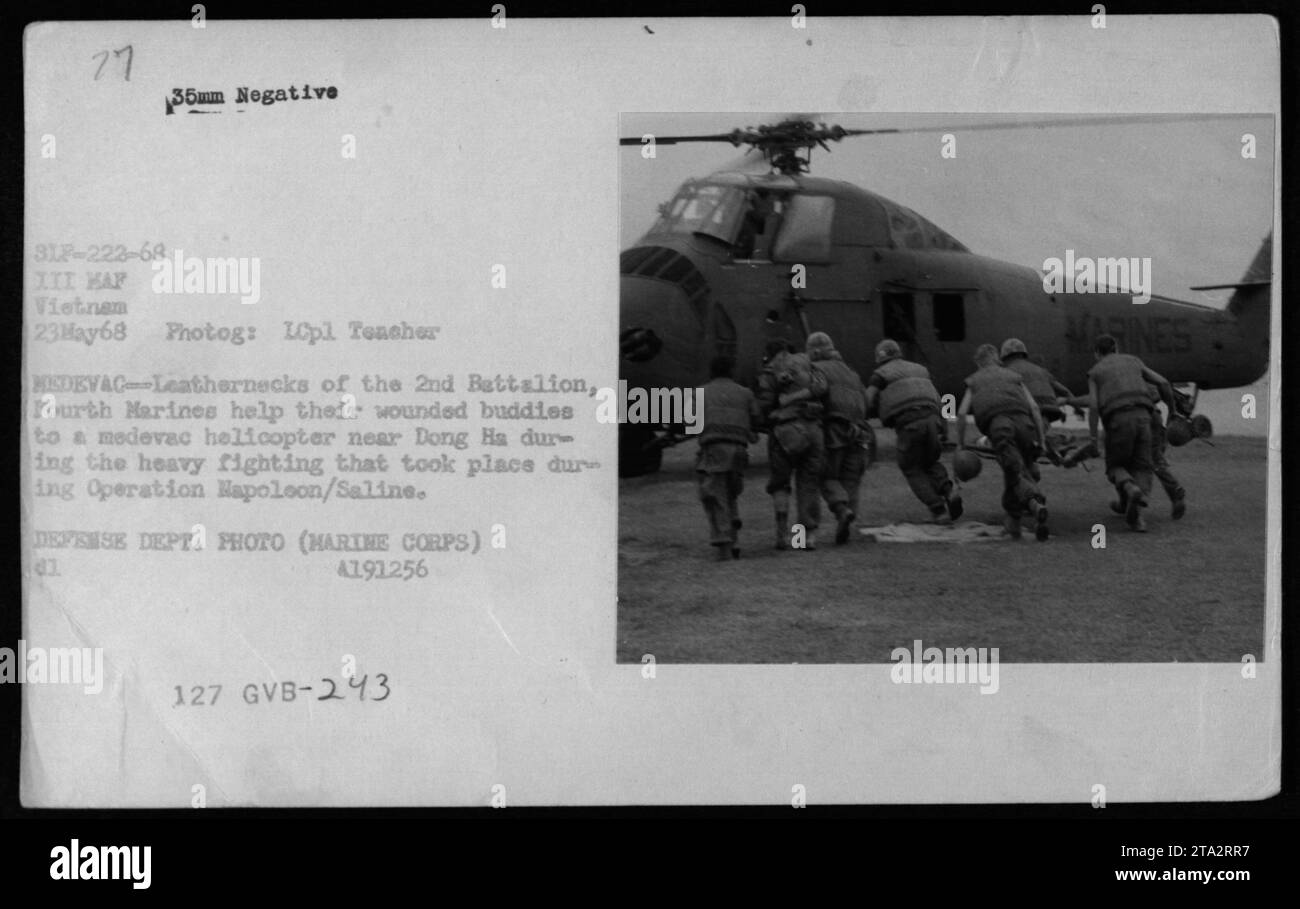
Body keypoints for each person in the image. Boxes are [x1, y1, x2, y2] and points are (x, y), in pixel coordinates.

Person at [956, 344, 1050, 541]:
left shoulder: (974, 380)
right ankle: (1013, 526)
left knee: (1015, 474)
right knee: (1015, 473)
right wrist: (1041, 441)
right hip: (1026, 427)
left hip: (1001, 428)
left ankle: (1036, 505)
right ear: (997, 359)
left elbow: (962, 413)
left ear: (979, 363)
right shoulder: (1013, 377)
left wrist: (960, 444)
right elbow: (1034, 408)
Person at [865, 338, 962, 523]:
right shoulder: (920, 370)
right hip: (933, 420)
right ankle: (949, 491)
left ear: (879, 358)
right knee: (931, 462)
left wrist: (861, 417)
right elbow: (939, 400)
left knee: (911, 467)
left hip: (909, 423)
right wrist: (945, 431)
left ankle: (938, 509)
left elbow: (868, 399)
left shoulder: (880, 374)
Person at [1086, 335, 1177, 532]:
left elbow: (1093, 406)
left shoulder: (1095, 372)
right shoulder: (1134, 361)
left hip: (1118, 420)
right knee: (1143, 467)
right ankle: (1138, 516)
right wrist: (1173, 410)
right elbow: (1163, 383)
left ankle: (1130, 489)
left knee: (1116, 466)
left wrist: (1093, 438)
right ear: (1116, 348)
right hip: (1144, 418)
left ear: (1096, 354)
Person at [754, 339, 827, 550]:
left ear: (773, 354)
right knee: (808, 484)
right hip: (814, 429)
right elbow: (823, 386)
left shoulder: (771, 371)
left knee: (781, 483)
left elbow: (765, 405)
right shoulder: (810, 364)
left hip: (786, 431)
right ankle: (805, 539)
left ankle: (783, 536)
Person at [806, 331, 869, 544]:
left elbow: (814, 393)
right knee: (850, 480)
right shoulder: (852, 372)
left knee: (826, 476)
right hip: (859, 432)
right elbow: (866, 401)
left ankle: (841, 510)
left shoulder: (816, 369)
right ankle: (848, 519)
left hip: (833, 429)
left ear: (814, 352)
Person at [696, 355, 758, 560]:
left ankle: (725, 546)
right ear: (732, 371)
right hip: (739, 450)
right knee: (730, 493)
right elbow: (756, 417)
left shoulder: (701, 392)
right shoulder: (746, 393)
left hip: (714, 449)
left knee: (714, 496)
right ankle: (735, 532)